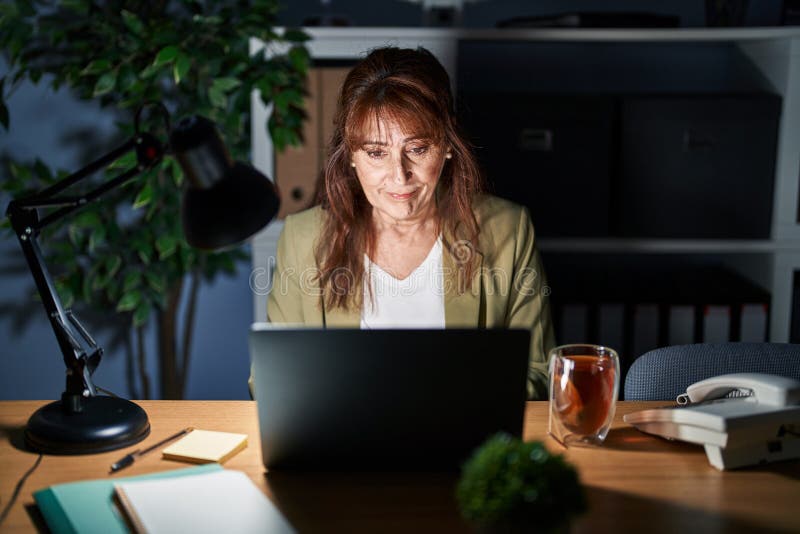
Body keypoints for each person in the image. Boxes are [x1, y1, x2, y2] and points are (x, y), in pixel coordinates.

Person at [262, 46, 555, 399]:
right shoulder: (302, 237)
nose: (399, 176)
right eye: (376, 153)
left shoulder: (508, 229)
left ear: (447, 145)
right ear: (351, 155)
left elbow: (538, 373)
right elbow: (273, 379)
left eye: (417, 149)